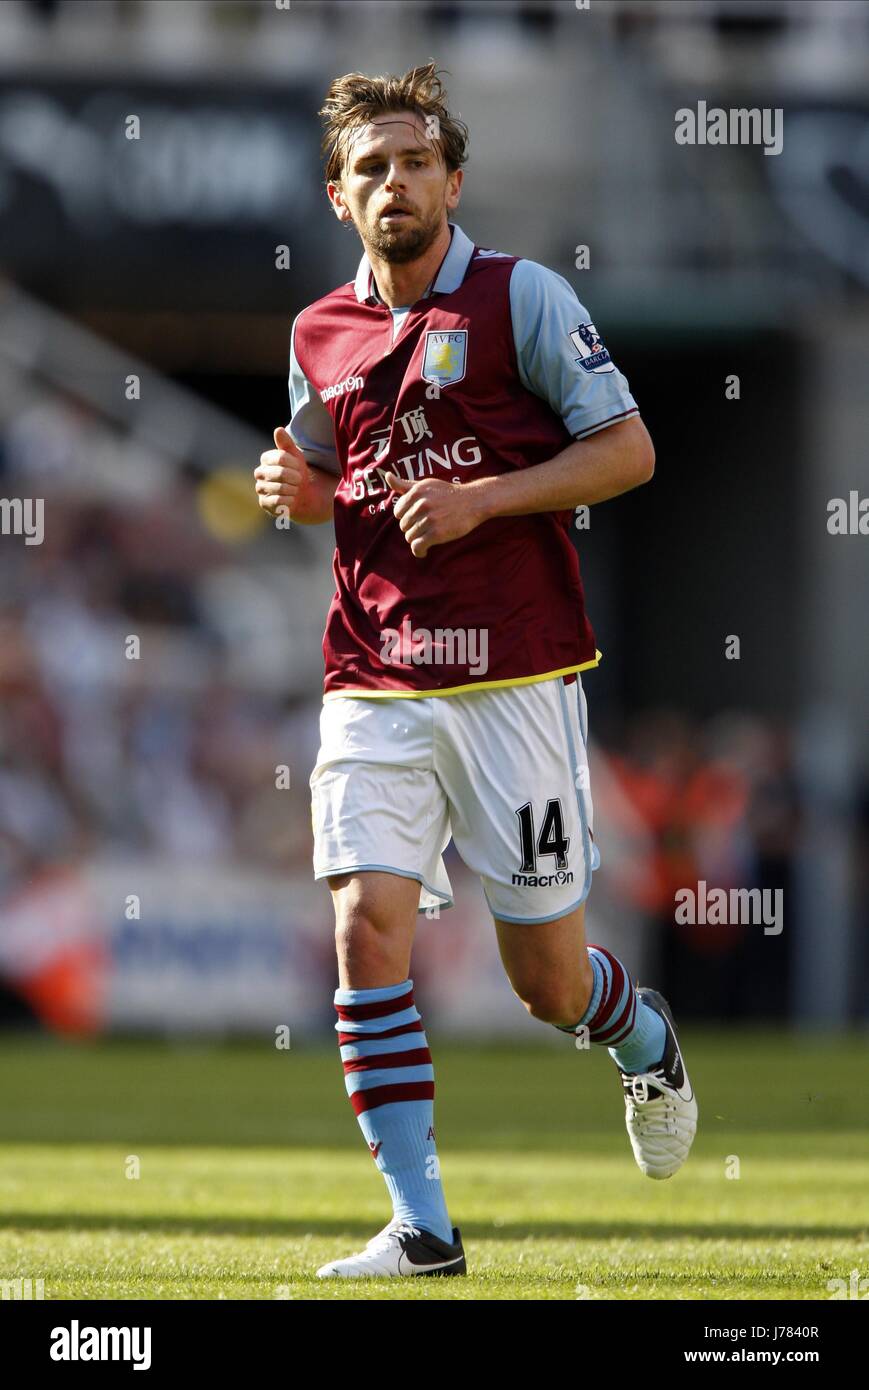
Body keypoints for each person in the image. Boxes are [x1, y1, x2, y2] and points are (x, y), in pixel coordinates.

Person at [254, 62, 697, 1279]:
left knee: (545, 983)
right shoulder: (316, 332)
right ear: (337, 200)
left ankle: (640, 1034)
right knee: (364, 925)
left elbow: (629, 451)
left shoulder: (523, 299)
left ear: (451, 178)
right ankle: (421, 1224)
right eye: (367, 170)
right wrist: (292, 490)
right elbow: (316, 466)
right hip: (372, 676)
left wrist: (482, 500)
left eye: (411, 161)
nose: (391, 182)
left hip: (514, 680)